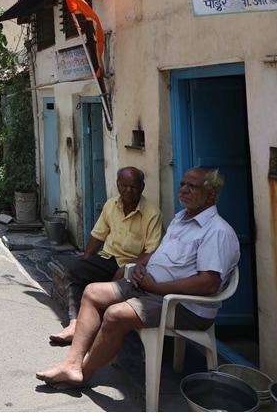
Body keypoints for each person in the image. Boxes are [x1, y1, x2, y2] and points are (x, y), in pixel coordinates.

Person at [35, 167, 240, 390]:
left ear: (210, 195)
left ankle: (84, 374)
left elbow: (209, 283)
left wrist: (158, 287)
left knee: (115, 314)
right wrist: (143, 266)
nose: (184, 189)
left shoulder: (217, 232)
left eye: (192, 186)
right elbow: (158, 253)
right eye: (182, 184)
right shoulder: (181, 219)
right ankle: (72, 363)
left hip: (183, 305)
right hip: (150, 288)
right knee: (93, 291)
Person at [49, 166, 161, 345]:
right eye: (124, 185)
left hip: (130, 263)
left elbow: (151, 251)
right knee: (76, 271)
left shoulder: (152, 213)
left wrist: (126, 269)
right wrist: (86, 260)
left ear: (142, 187)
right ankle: (75, 324)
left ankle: (94, 327)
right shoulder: (111, 205)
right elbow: (98, 236)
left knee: (109, 285)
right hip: (108, 258)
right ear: (118, 185)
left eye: (133, 186)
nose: (128, 190)